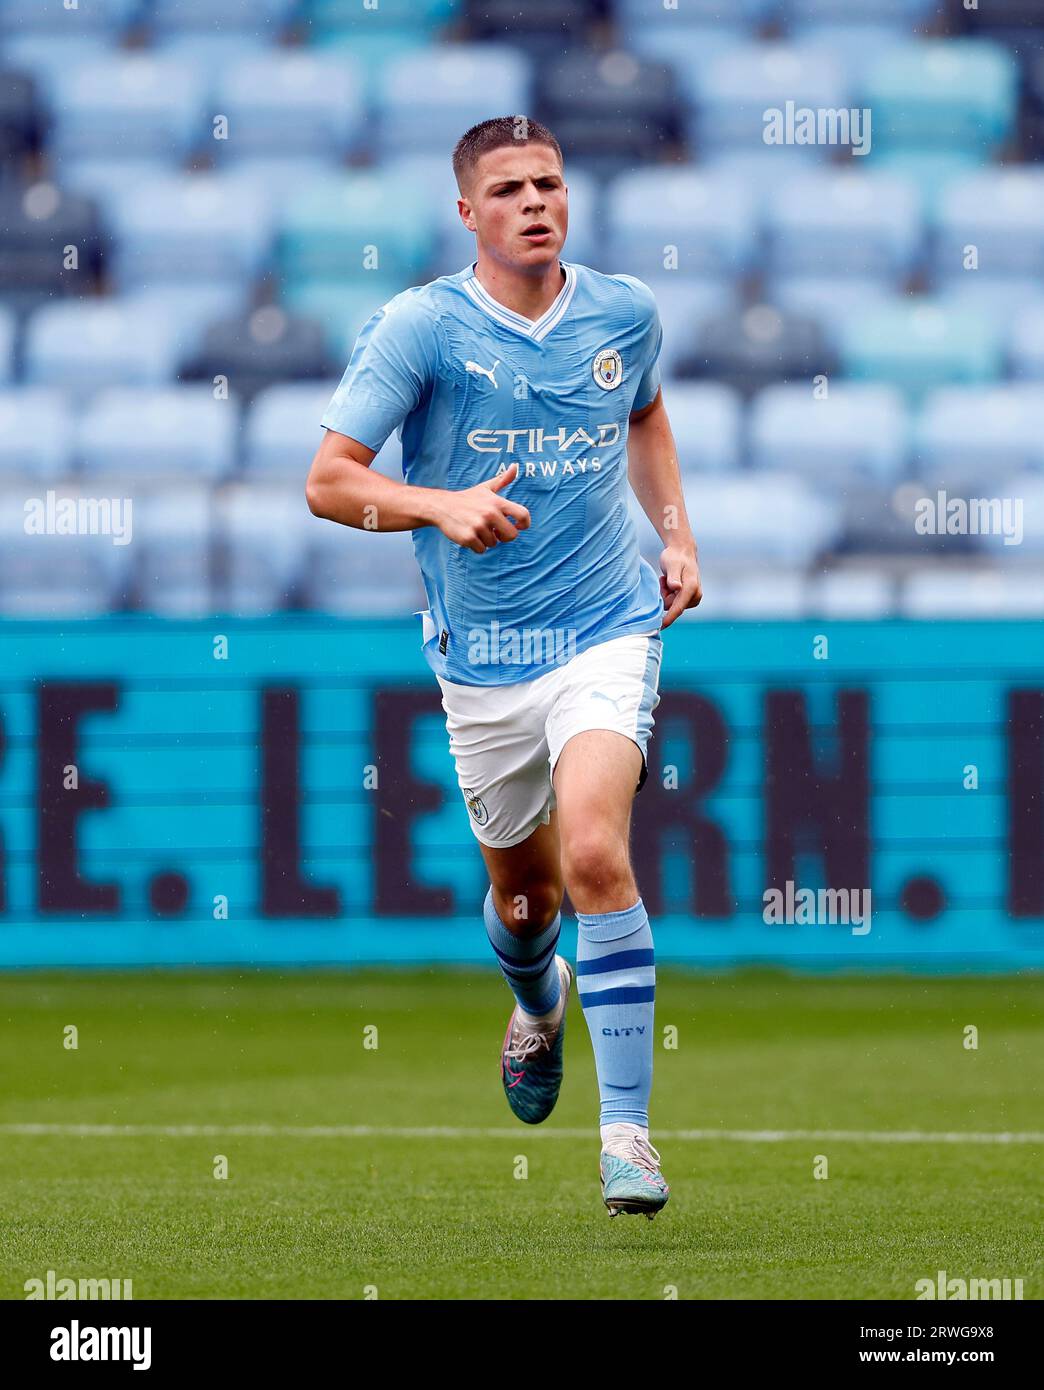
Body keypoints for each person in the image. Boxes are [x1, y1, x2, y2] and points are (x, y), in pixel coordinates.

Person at [306, 115, 702, 1218]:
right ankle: (537, 1001)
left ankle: (627, 1137)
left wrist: (675, 533)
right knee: (524, 901)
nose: (537, 201)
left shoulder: (625, 312)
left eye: (551, 183)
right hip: (482, 663)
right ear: (468, 211)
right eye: (512, 188)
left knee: (593, 854)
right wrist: (441, 504)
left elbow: (649, 412)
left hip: (606, 629)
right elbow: (329, 482)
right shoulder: (420, 330)